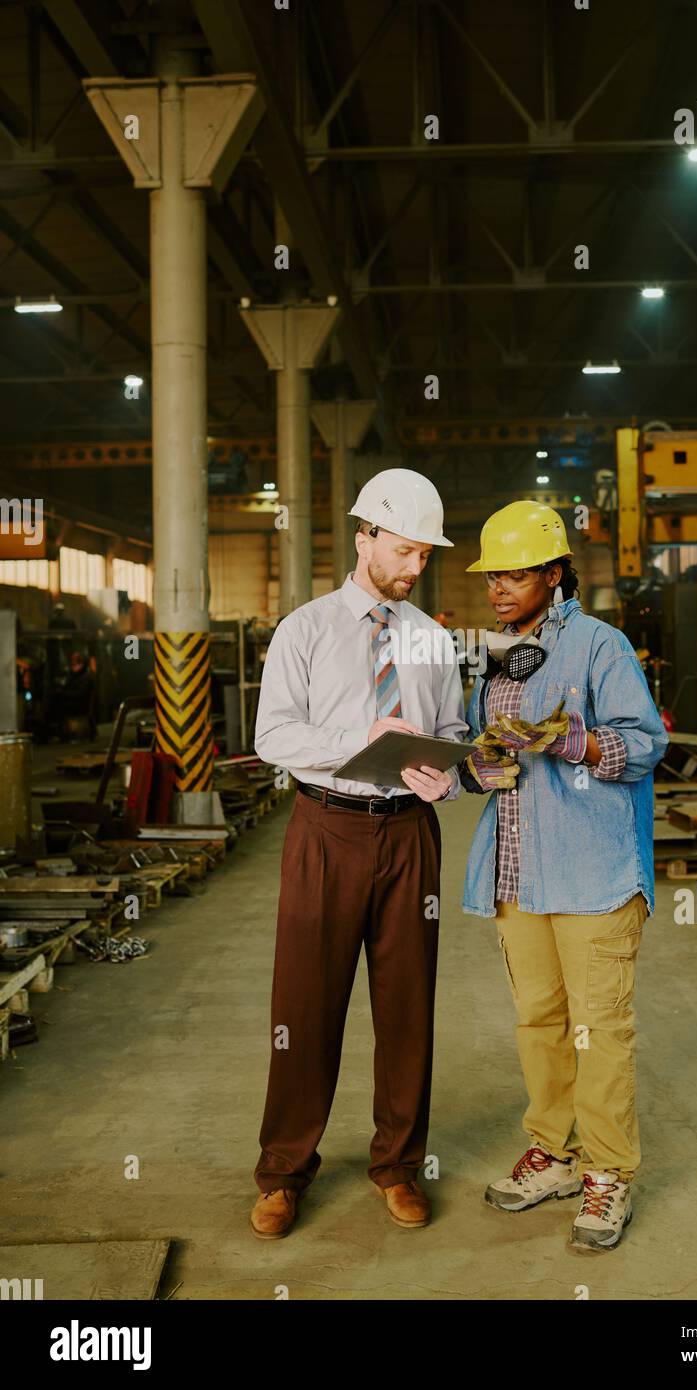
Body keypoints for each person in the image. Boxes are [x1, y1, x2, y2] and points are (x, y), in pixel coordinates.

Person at [249, 468, 467, 1239]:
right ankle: (283, 1173)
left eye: (424, 556)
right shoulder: (304, 631)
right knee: (304, 1007)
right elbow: (271, 737)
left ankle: (399, 1166)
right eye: (404, 550)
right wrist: (359, 741)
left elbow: (449, 734)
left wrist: (448, 773)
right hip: (325, 831)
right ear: (364, 537)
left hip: (410, 835)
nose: (415, 568)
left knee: (407, 1008)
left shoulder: (433, 640)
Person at [459, 501, 668, 1252]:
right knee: (538, 1024)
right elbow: (483, 750)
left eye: (515, 574)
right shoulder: (499, 657)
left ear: (552, 573)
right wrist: (479, 765)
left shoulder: (600, 645)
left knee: (599, 1030)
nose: (500, 589)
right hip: (517, 872)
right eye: (493, 577)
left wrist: (580, 742)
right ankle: (558, 1152)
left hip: (593, 872)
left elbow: (647, 743)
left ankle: (610, 1174)